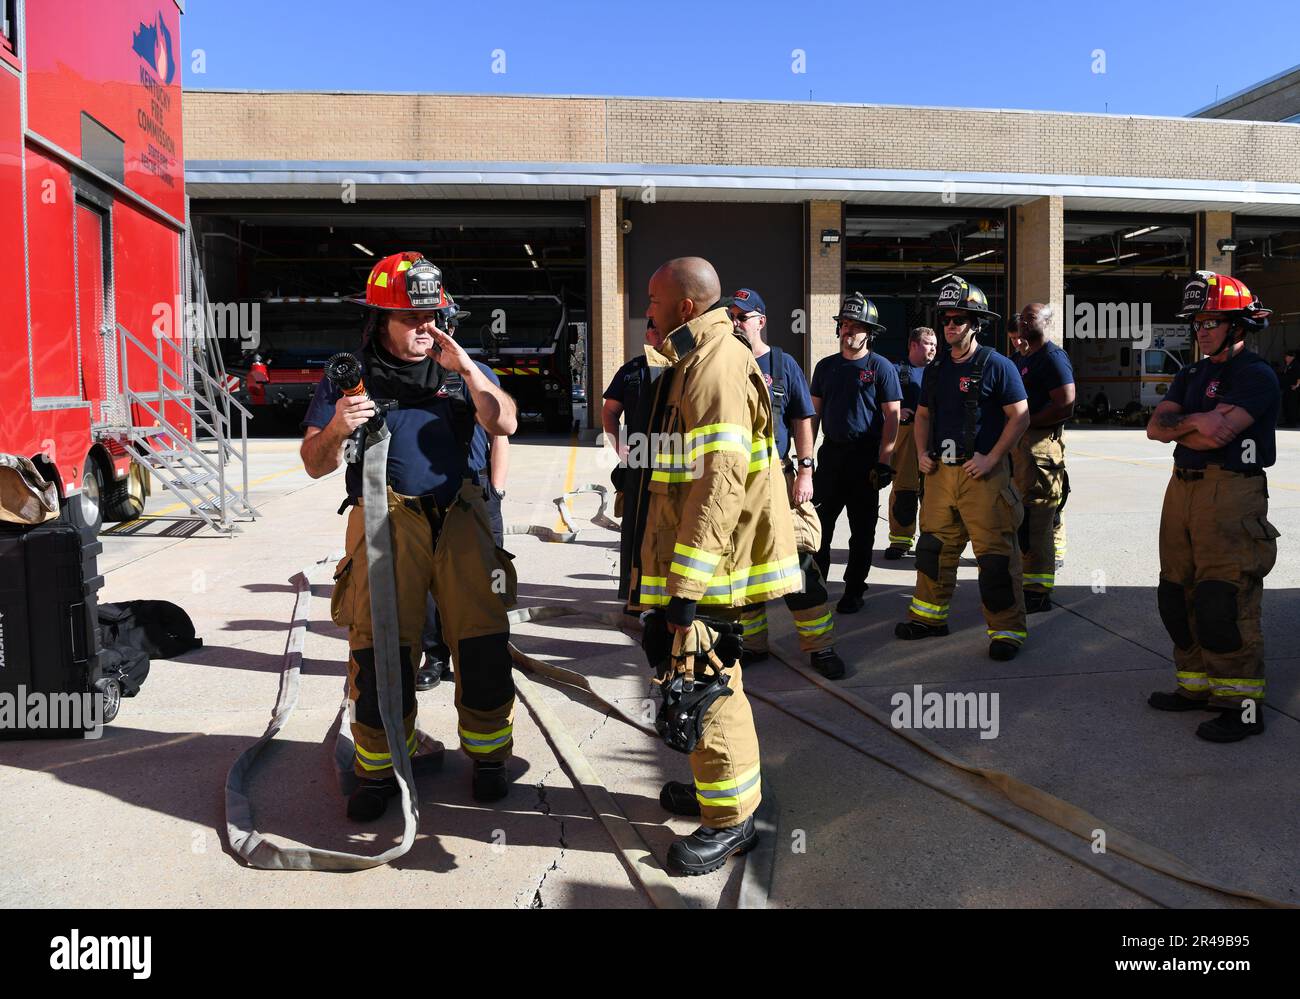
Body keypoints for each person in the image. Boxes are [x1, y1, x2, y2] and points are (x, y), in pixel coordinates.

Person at [301, 251, 520, 819]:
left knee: (482, 642)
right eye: (412, 318)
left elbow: (504, 422)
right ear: (380, 320)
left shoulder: (460, 365)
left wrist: (469, 371)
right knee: (380, 649)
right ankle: (377, 774)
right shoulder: (347, 376)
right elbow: (313, 463)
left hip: (462, 517)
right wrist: (336, 427)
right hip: (382, 520)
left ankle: (489, 759)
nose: (427, 328)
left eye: (434, 315)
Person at [625, 257, 800, 875]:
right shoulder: (692, 360)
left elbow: (718, 485)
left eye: (652, 297)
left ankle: (730, 822)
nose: (645, 307)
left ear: (686, 307)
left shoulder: (716, 366)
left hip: (714, 567)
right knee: (700, 676)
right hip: (700, 562)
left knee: (708, 686)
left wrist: (685, 590)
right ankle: (718, 792)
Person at [1145, 271, 1281, 742]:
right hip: (1182, 488)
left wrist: (1181, 422)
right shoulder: (1190, 373)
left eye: (1211, 321)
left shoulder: (1256, 375)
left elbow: (1219, 430)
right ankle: (1195, 687)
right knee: (1175, 592)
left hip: (1231, 491)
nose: (1201, 330)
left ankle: (1241, 708)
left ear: (1238, 326)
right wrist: (1194, 422)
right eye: (1197, 322)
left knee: (1223, 597)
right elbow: (1154, 428)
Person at [894, 276, 1030, 661]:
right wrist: (921, 453)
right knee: (933, 550)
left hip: (983, 478)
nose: (950, 325)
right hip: (940, 476)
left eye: (959, 319)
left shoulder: (998, 366)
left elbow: (1019, 416)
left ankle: (1006, 631)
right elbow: (922, 415)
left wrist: (992, 457)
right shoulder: (936, 370)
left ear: (976, 324)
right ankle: (929, 618)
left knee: (995, 559)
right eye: (947, 319)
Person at [729, 288, 847, 679]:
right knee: (741, 566)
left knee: (799, 563)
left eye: (742, 317)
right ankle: (753, 645)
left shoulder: (783, 364)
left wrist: (806, 470)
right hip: (732, 485)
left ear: (760, 321)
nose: (735, 322)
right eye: (730, 316)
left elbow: (802, 418)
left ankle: (821, 648)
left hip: (777, 477)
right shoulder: (722, 364)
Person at [809, 293, 902, 613]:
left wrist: (884, 461)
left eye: (856, 326)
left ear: (870, 332)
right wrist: (807, 461)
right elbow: (814, 415)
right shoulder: (825, 367)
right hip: (831, 457)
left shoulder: (882, 368)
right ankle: (817, 584)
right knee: (819, 527)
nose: (848, 331)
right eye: (845, 324)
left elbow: (892, 416)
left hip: (866, 459)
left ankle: (854, 589)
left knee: (862, 531)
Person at [1010, 303, 1075, 613]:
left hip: (1039, 449)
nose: (1024, 321)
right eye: (1022, 317)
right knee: (1020, 520)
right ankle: (1026, 580)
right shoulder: (1026, 358)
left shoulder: (1052, 357)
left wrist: (1027, 421)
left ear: (1049, 322)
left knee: (1037, 521)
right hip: (1020, 447)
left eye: (1031, 317)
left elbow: (1066, 404)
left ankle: (1038, 591)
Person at [885, 327, 937, 559]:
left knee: (934, 491)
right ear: (913, 345)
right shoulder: (895, 371)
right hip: (907, 437)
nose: (934, 348)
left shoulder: (942, 371)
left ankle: (930, 538)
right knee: (905, 489)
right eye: (928, 343)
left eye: (935, 344)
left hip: (935, 436)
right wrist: (897, 412)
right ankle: (900, 540)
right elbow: (880, 401)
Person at [602, 321, 666, 459]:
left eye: (664, 332)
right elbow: (609, 412)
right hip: (638, 458)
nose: (660, 337)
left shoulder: (686, 368)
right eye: (655, 332)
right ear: (647, 336)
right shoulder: (630, 371)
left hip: (675, 457)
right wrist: (620, 447)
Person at [1282, 349, 1299, 428]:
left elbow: (1299, 376)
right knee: (1286, 404)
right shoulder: (1288, 364)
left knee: (1291, 405)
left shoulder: (1296, 364)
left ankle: (1292, 423)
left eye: (1287, 356)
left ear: (1291, 357)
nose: (1285, 358)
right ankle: (1287, 421)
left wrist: (1297, 385)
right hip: (1287, 388)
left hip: (1293, 388)